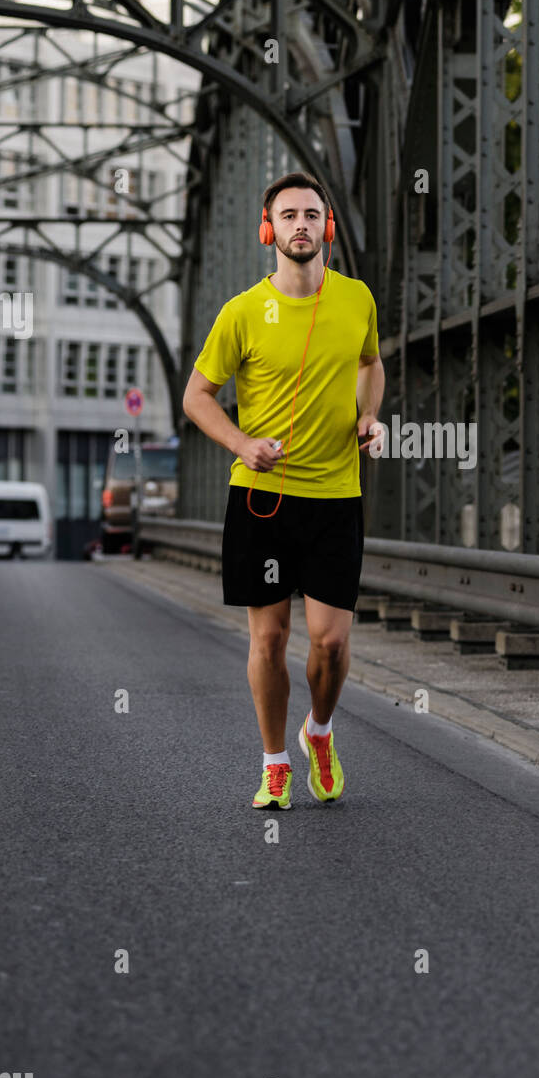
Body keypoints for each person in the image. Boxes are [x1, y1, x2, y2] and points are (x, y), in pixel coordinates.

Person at [182, 170, 384, 811]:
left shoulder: (357, 300)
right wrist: (243, 444)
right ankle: (275, 765)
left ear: (327, 226)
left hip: (335, 498)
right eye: (288, 215)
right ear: (269, 229)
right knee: (268, 640)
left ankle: (317, 732)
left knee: (330, 642)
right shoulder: (241, 312)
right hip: (261, 500)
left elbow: (370, 363)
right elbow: (196, 397)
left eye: (312, 215)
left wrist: (369, 417)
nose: (301, 225)